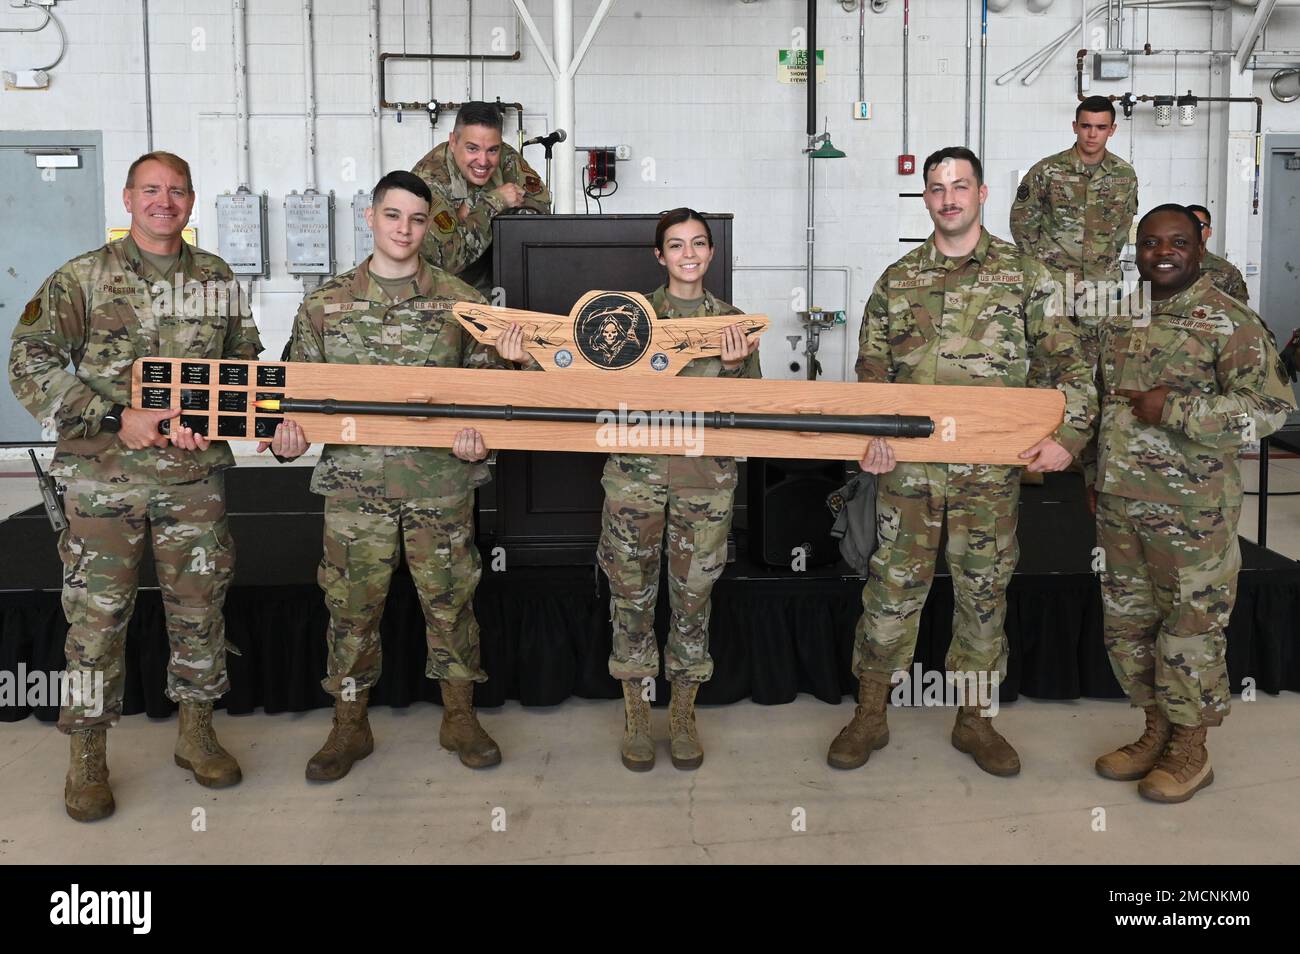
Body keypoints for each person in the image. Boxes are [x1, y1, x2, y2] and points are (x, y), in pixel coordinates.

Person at [8, 151, 264, 821]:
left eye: (177, 191)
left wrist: (211, 421)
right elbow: (28, 359)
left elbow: (242, 363)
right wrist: (116, 417)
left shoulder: (214, 277)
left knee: (199, 608)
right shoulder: (82, 278)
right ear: (127, 199)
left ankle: (197, 732)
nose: (164, 201)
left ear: (191, 201)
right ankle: (87, 753)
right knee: (95, 622)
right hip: (102, 481)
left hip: (193, 477)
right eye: (151, 190)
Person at [827, 147, 1097, 778]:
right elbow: (870, 374)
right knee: (891, 591)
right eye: (937, 188)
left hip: (988, 475)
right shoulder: (897, 279)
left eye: (960, 186)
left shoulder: (1025, 276)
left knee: (983, 593)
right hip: (908, 475)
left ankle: (975, 721)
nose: (948, 198)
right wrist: (869, 435)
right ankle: (871, 712)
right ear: (926, 198)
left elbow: (1072, 371)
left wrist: (1069, 437)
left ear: (980, 195)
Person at [268, 171, 529, 781]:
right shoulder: (325, 303)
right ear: (371, 218)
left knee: (451, 604)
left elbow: (490, 397)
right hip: (354, 492)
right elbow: (290, 395)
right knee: (351, 610)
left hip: (439, 487)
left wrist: (477, 444)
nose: (404, 229)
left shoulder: (460, 302)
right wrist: (285, 441)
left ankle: (459, 716)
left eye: (416, 219)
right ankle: (349, 725)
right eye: (393, 216)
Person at [1092, 204, 1295, 802]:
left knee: (1191, 631)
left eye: (1176, 242)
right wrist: (1091, 474)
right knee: (1128, 625)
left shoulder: (1230, 322)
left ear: (1199, 247)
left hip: (1192, 513)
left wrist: (1177, 409)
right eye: (1151, 243)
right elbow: (1103, 402)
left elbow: (1271, 410)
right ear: (1138, 249)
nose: (1163, 253)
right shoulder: (1120, 319)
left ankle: (1191, 749)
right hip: (1120, 505)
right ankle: (1154, 730)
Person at [599, 208, 761, 772]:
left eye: (697, 244)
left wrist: (737, 369)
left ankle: (684, 714)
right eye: (676, 245)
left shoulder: (733, 324)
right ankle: (639, 716)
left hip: (704, 486)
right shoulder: (628, 319)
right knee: (632, 598)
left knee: (693, 601)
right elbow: (599, 397)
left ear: (711, 253)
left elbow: (749, 412)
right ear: (659, 255)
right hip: (634, 483)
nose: (687, 254)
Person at [1010, 94, 1139, 366]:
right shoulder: (1047, 170)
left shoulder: (1124, 175)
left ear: (1112, 130)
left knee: (1099, 356)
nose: (1092, 134)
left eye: (1101, 127)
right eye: (1086, 126)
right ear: (1075, 126)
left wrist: (1104, 261)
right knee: (1047, 353)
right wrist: (1039, 267)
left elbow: (1123, 225)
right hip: (1054, 281)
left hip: (1101, 284)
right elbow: (1023, 222)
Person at [411, 101, 551, 297]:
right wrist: (493, 203)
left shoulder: (505, 155)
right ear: (453, 142)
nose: (483, 161)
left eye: (492, 150)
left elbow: (540, 211)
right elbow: (448, 259)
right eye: (472, 149)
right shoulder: (430, 180)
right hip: (444, 295)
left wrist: (468, 219)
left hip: (500, 280)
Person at [1186, 204, 1250, 303]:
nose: (1194, 230)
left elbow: (1240, 313)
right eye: (1188, 225)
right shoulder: (1164, 267)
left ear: (1209, 232)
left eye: (1200, 225)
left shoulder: (1227, 271)